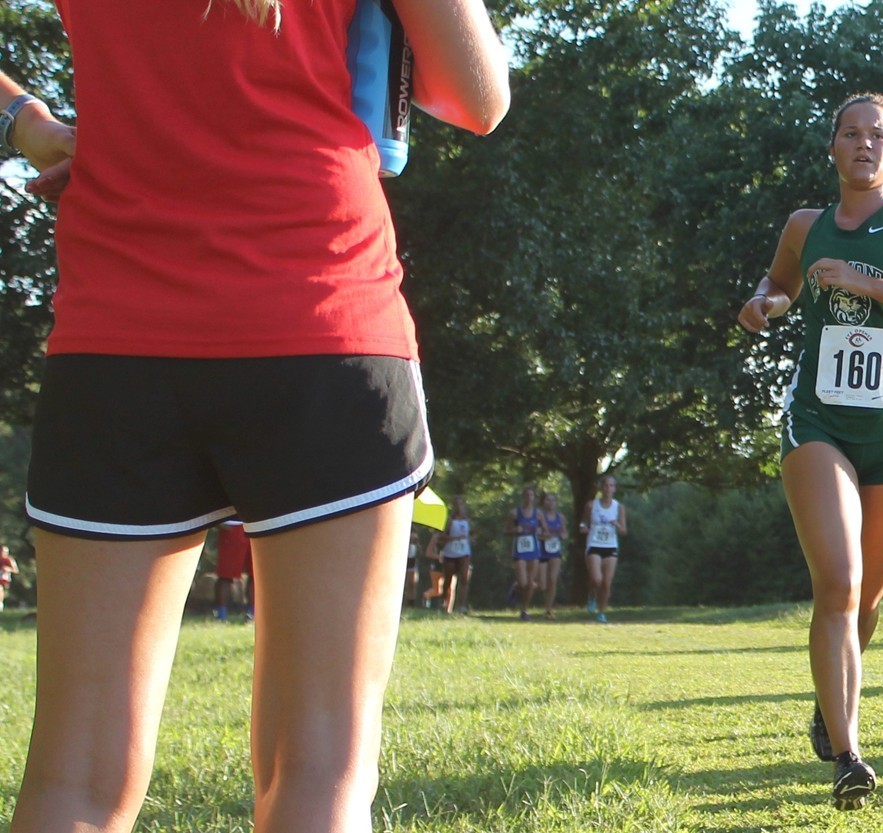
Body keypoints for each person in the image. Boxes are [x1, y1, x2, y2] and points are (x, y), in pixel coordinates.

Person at [2, 1, 508, 827]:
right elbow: (476, 97)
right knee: (323, 770)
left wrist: (24, 118)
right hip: (323, 322)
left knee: (73, 783)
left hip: (117, 339)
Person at [737, 91, 883, 810]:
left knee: (866, 598)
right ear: (832, 148)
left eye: (878, 135)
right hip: (819, 423)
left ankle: (828, 698)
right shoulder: (803, 225)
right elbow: (775, 283)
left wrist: (869, 281)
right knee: (838, 583)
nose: (865, 144)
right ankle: (848, 752)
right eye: (851, 133)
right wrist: (765, 304)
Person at [580, 475, 627, 624]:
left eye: (611, 486)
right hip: (594, 544)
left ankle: (601, 612)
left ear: (614, 489)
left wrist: (617, 525)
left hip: (611, 546)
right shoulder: (591, 505)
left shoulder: (618, 507)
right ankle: (592, 595)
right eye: (605, 486)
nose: (608, 489)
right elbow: (584, 522)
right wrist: (583, 527)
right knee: (596, 579)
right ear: (601, 488)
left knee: (606, 582)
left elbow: (624, 531)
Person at [509, 486, 543, 621]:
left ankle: (524, 610)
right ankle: (515, 588)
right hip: (520, 550)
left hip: (534, 550)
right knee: (523, 583)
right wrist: (515, 530)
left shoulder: (538, 514)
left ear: (534, 498)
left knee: (530, 583)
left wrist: (541, 531)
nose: (529, 497)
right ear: (523, 497)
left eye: (532, 495)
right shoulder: (515, 513)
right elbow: (506, 530)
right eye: (527, 495)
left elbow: (546, 531)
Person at [212, 520, 254, 622]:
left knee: (255, 574)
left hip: (256, 523)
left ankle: (252, 614)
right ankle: (220, 616)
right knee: (226, 574)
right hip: (233, 524)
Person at [534, 489, 566, 620]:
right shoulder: (539, 516)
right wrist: (544, 536)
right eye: (548, 500)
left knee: (553, 580)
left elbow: (565, 533)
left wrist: (562, 535)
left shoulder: (560, 517)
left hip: (555, 551)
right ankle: (521, 587)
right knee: (542, 585)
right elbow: (534, 532)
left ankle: (548, 609)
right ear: (543, 502)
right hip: (541, 551)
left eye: (553, 500)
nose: (551, 502)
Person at [440, 496, 474, 614]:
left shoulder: (468, 520)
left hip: (464, 552)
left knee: (464, 579)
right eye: (457, 505)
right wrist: (454, 538)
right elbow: (441, 535)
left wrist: (472, 539)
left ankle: (462, 606)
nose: (459, 507)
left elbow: (474, 534)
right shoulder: (450, 520)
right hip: (450, 552)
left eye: (461, 504)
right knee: (448, 579)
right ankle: (444, 604)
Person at [0, 544, 16, 611]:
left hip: (4, 577)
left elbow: (15, 570)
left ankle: (0, 604)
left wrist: (8, 569)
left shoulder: (9, 559)